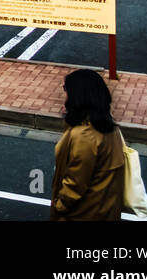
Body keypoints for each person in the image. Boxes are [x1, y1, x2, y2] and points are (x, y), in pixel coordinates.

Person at [51, 68, 126, 221]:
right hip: (105, 208)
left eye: (66, 90)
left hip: (83, 213)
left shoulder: (84, 135)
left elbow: (75, 182)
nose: (64, 95)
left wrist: (60, 205)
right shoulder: (108, 125)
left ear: (78, 96)